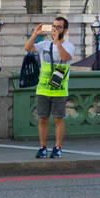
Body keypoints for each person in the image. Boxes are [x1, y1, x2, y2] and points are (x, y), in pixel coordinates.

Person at [24, 15, 74, 159]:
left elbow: (65, 58)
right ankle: (42, 147)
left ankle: (58, 148)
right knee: (42, 119)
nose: (55, 29)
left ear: (65, 30)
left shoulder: (69, 45)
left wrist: (57, 42)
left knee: (58, 118)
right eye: (54, 26)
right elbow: (27, 48)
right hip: (43, 88)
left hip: (59, 89)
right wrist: (35, 34)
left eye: (59, 27)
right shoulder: (44, 45)